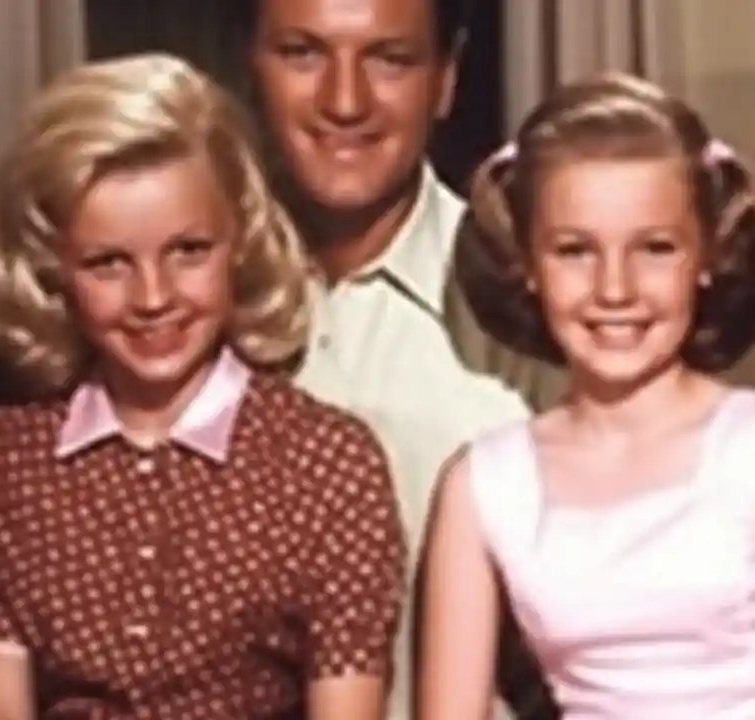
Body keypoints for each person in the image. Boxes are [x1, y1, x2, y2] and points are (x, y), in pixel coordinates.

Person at [415, 72, 755, 719]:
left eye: (654, 248)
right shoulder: (484, 487)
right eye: (575, 251)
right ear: (526, 265)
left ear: (708, 255)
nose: (615, 289)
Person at [0, 54, 404, 719]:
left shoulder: (327, 464)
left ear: (239, 240)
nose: (153, 298)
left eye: (188, 251)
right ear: (54, 267)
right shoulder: (2, 456)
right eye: (108, 263)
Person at [246, 1, 560, 714]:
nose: (345, 100)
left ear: (446, 79)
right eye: (304, 53)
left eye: (390, 59)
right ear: (253, 64)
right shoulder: (169, 306)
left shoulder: (531, 309)